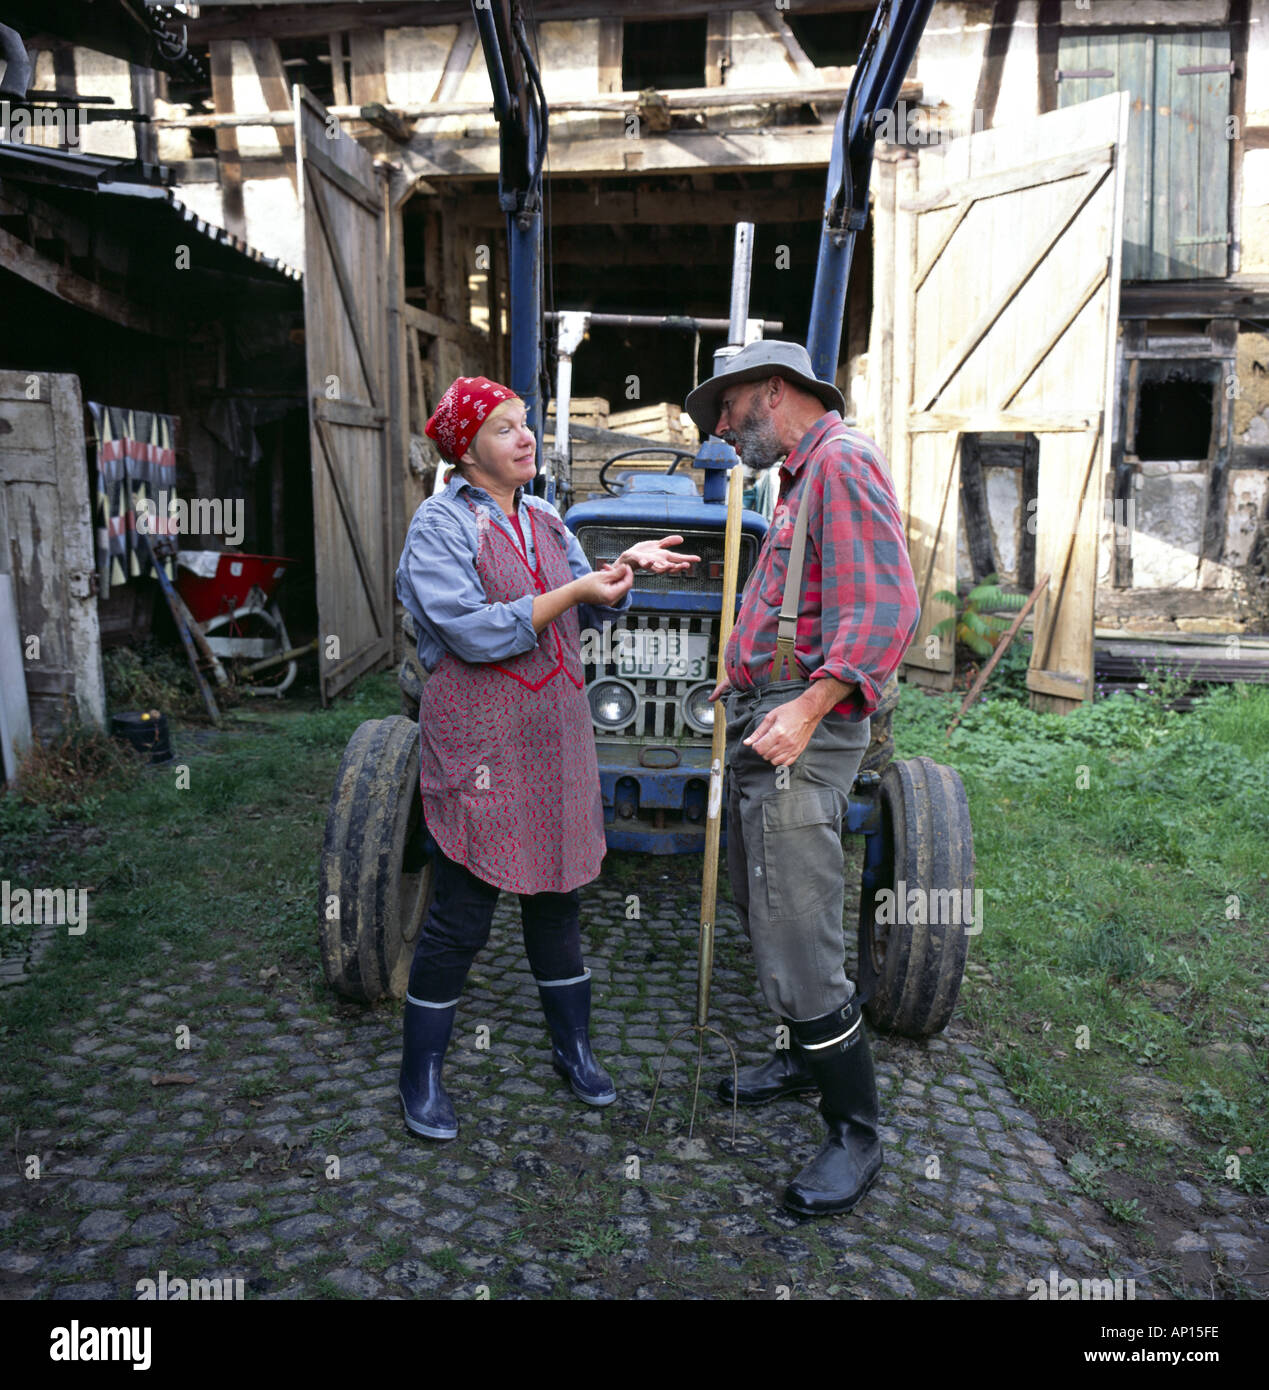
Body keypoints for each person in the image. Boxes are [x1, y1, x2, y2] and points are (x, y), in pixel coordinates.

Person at [395, 375, 698, 1140]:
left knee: (557, 896)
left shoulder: (540, 516)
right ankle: (420, 1075)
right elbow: (471, 631)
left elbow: (578, 590)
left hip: (555, 730)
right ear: (465, 451)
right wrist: (576, 592)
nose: (525, 438)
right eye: (503, 429)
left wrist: (618, 566)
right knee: (461, 912)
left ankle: (575, 1049)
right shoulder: (438, 527)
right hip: (483, 738)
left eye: (524, 423)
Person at [683, 341, 920, 1216]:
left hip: (802, 733)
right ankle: (797, 1053)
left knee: (797, 924)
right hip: (769, 711)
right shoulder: (799, 475)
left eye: (725, 405)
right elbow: (802, 607)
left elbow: (885, 609)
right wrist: (741, 678)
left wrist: (807, 709)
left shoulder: (843, 466)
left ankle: (855, 1134)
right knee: (761, 900)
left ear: (773, 392)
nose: (716, 426)